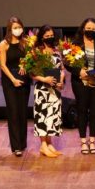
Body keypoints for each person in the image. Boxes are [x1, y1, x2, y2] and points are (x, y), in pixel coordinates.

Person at [65, 17, 95, 155]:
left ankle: (92, 141)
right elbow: (68, 63)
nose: (90, 31)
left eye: (93, 29)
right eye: (88, 28)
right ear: (83, 28)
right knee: (82, 110)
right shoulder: (76, 43)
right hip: (81, 82)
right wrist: (79, 71)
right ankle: (83, 141)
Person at [30, 25, 65, 158]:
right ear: (42, 37)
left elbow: (61, 68)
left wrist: (61, 78)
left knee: (53, 116)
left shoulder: (56, 51)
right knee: (43, 117)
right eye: (47, 36)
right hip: (42, 90)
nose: (50, 38)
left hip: (55, 89)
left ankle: (50, 143)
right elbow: (32, 73)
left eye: (52, 36)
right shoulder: (36, 52)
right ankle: (43, 145)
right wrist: (44, 79)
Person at [0, 16, 31, 156]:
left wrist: (25, 65)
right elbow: (2, 65)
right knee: (13, 112)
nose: (18, 30)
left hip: (24, 80)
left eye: (19, 27)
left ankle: (22, 143)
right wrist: (13, 79)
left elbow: (29, 58)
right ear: (10, 29)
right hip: (9, 81)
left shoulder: (25, 42)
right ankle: (16, 146)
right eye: (15, 28)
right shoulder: (4, 44)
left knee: (22, 112)